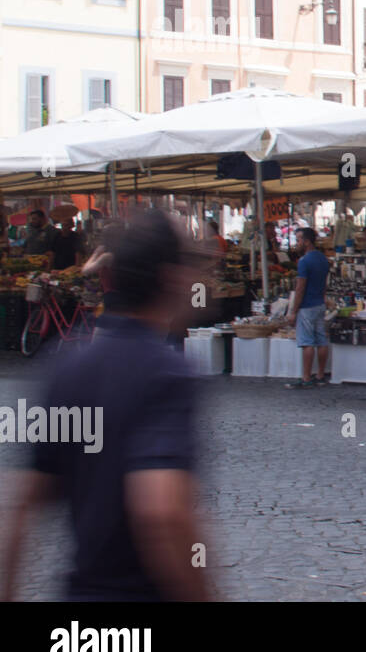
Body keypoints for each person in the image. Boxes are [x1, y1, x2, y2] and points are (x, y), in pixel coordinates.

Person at [0, 210, 209, 601]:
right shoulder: (166, 372)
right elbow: (161, 511)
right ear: (170, 278)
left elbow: (23, 503)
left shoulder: (66, 366)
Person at [286, 227, 330, 388]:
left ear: (306, 241)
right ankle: (320, 374)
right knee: (322, 340)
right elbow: (325, 284)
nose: (297, 243)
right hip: (319, 303)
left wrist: (293, 311)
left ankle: (306, 377)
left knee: (307, 343)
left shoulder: (304, 261)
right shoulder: (323, 259)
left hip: (307, 305)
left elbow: (300, 288)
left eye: (298, 240)